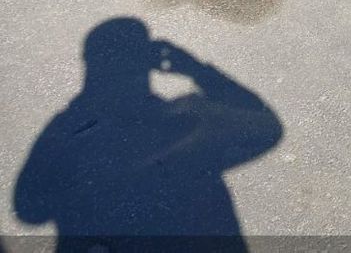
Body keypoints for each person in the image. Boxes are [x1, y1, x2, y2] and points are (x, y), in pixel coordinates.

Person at [14, 18, 282, 250]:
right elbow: (268, 131)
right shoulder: (180, 118)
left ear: (87, 61)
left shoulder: (65, 124)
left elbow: (30, 210)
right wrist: (196, 69)